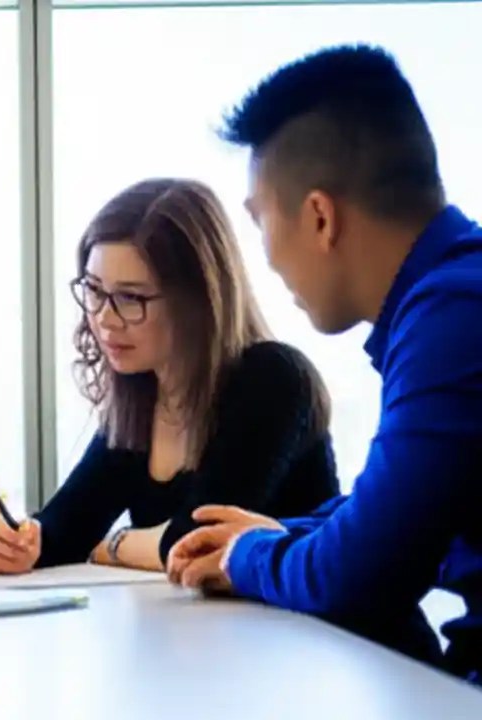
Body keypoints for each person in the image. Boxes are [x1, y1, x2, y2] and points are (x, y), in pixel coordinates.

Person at [166, 44, 482, 682]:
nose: (269, 260)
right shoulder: (453, 298)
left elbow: (360, 572)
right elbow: (393, 505)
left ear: (319, 217)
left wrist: (247, 557)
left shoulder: (455, 312)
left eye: (260, 223)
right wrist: (279, 532)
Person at [0, 178, 339, 575]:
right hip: (215, 633)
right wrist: (13, 542)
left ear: (199, 300)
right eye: (94, 290)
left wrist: (112, 543)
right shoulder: (142, 386)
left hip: (319, 634)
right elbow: (65, 528)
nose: (104, 319)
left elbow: (194, 543)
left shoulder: (272, 378)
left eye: (131, 298)